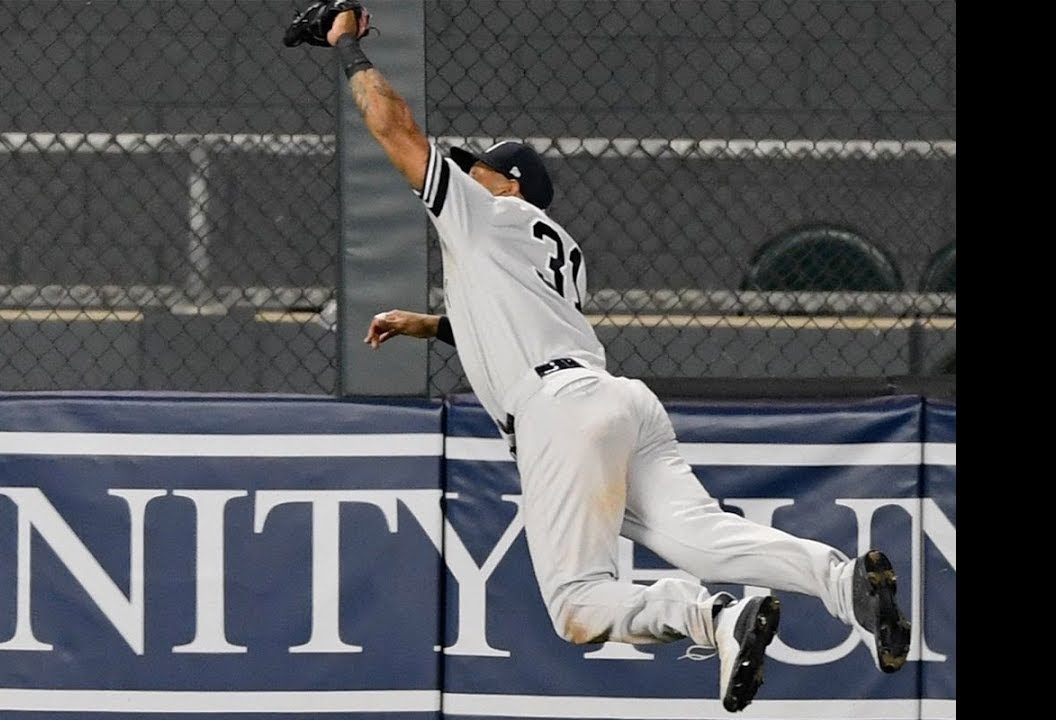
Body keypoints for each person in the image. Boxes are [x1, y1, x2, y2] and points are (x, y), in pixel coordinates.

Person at [321, 8, 912, 713]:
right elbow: (520, 320)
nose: (465, 173)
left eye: (479, 169)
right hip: (615, 399)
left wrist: (348, 48)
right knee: (703, 537)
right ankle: (839, 580)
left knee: (576, 605)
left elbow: (397, 131)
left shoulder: (486, 215)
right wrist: (433, 326)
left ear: (508, 185)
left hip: (560, 417)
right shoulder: (547, 243)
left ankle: (713, 618)